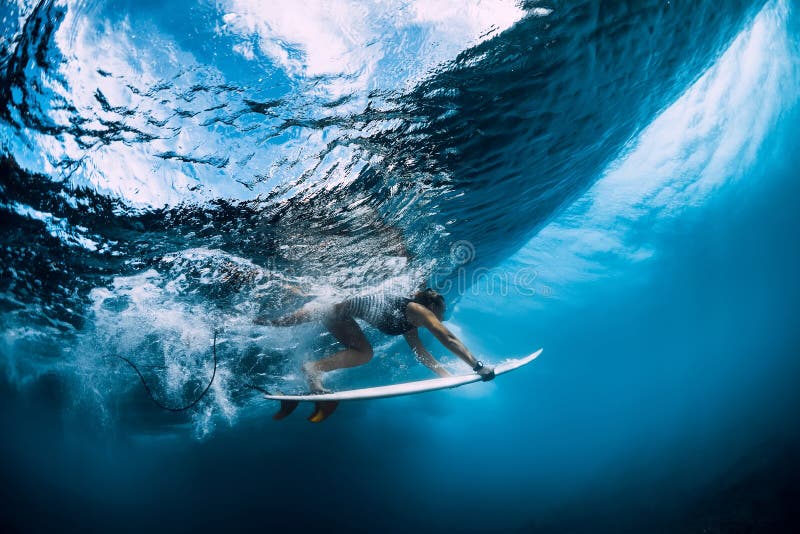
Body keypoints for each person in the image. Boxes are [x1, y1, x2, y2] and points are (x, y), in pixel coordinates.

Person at [255, 288, 495, 392]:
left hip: (339, 313)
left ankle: (313, 369)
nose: (441, 316)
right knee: (275, 322)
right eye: (441, 310)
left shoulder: (410, 323)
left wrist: (446, 378)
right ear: (432, 306)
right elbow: (448, 337)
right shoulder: (419, 310)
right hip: (331, 305)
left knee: (364, 353)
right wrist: (478, 366)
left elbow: (420, 352)